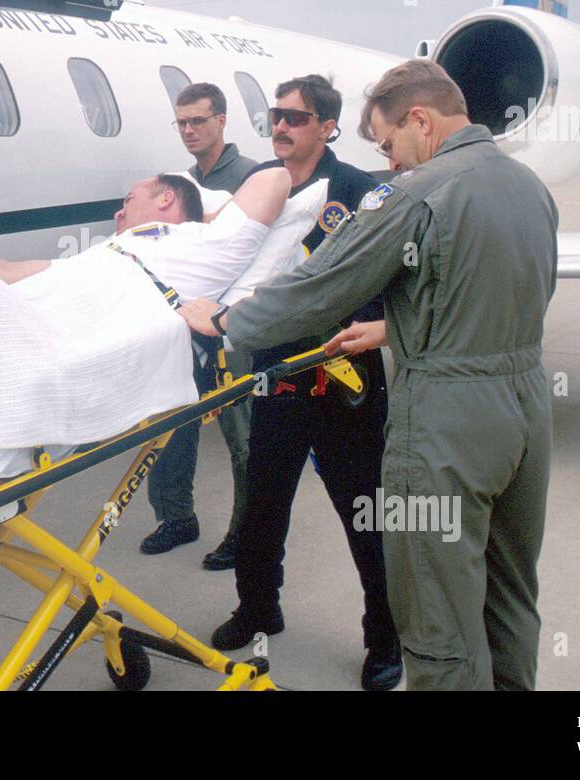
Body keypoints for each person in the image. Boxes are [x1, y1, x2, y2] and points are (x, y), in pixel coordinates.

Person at [182, 60, 559, 691]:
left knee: (437, 618)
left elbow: (321, 289)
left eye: (390, 144)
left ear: (420, 119)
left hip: (448, 420)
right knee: (509, 596)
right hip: (524, 412)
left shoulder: (414, 194)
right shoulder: (527, 186)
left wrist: (226, 321)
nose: (391, 161)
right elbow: (497, 291)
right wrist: (399, 327)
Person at [189, 74, 402, 691]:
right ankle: (259, 608)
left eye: (295, 118)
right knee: (261, 507)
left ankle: (384, 638)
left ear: (328, 127)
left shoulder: (366, 192)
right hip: (274, 376)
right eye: (275, 117)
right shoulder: (262, 189)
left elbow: (400, 279)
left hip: (344, 379)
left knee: (366, 514)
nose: (280, 127)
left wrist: (377, 327)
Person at [140, 83, 258, 568]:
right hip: (186, 319)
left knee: (242, 434)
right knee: (170, 421)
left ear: (222, 121)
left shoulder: (255, 179)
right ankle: (176, 517)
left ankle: (245, 533)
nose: (188, 130)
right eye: (181, 122)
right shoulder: (180, 184)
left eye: (198, 121)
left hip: (231, 323)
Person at [0, 167, 290, 297]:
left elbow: (275, 178)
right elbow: (12, 273)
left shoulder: (203, 242)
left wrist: (205, 218)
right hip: (58, 288)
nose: (118, 212)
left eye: (129, 200)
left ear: (167, 200)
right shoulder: (114, 246)